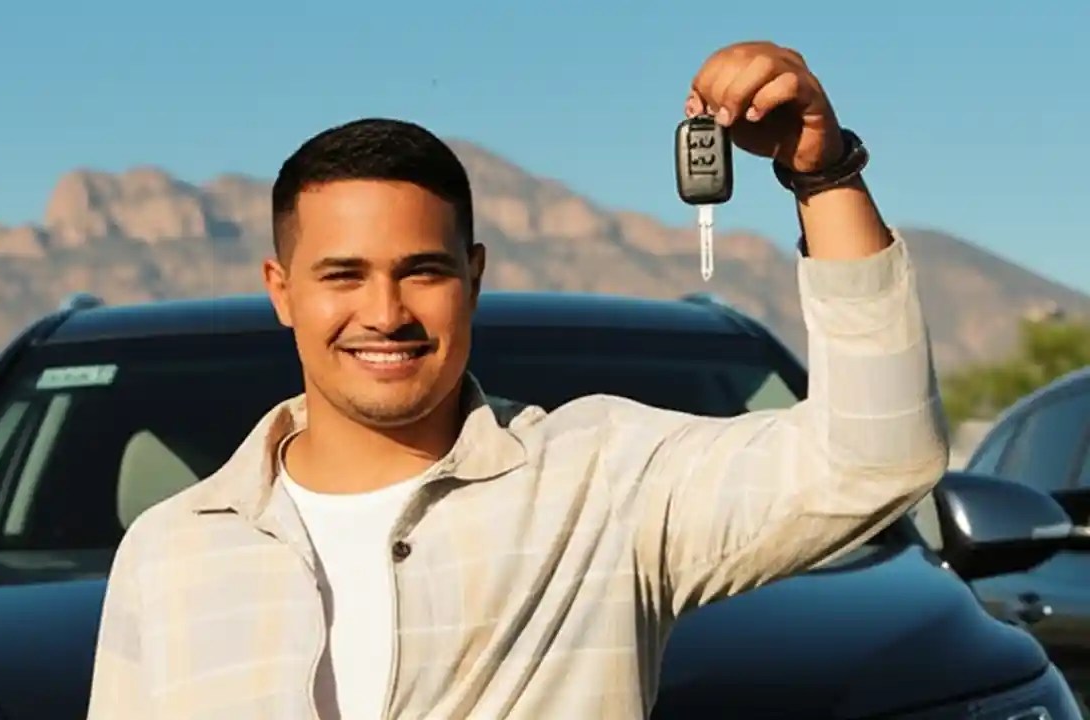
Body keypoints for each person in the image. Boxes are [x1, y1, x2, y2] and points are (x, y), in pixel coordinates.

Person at [86, 40, 949, 719]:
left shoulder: (603, 482)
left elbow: (875, 456)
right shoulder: (171, 554)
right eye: (343, 275)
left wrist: (822, 173)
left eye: (422, 270)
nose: (385, 312)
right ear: (283, 292)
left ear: (474, 275)